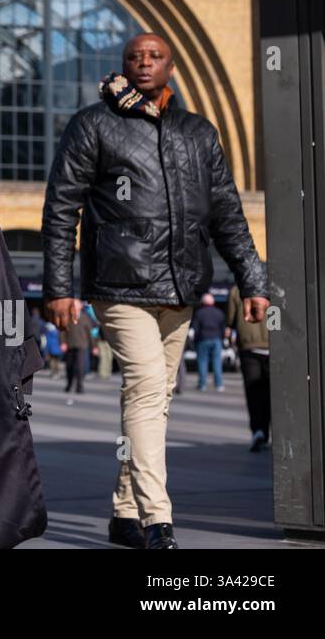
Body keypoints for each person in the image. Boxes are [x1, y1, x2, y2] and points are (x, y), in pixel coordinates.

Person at [42, 33, 270, 550]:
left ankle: (124, 512)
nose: (144, 63)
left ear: (172, 65)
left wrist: (251, 279)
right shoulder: (94, 124)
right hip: (119, 286)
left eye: (155, 56)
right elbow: (61, 209)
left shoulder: (198, 133)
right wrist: (59, 287)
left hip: (182, 288)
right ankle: (158, 519)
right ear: (123, 65)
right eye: (134, 57)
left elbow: (228, 215)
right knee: (147, 388)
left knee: (154, 400)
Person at [227, 283, 270, 451]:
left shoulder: (237, 289)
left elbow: (230, 319)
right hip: (270, 347)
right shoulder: (273, 284)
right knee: (270, 392)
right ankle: (269, 432)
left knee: (253, 392)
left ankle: (258, 430)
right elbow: (277, 313)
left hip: (248, 346)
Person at [191, 293, 228, 392]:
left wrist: (195, 341)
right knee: (217, 362)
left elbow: (195, 328)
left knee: (202, 362)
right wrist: (222, 339)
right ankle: (219, 384)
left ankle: (202, 384)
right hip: (216, 339)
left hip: (202, 339)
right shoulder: (219, 312)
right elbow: (223, 328)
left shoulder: (199, 313)